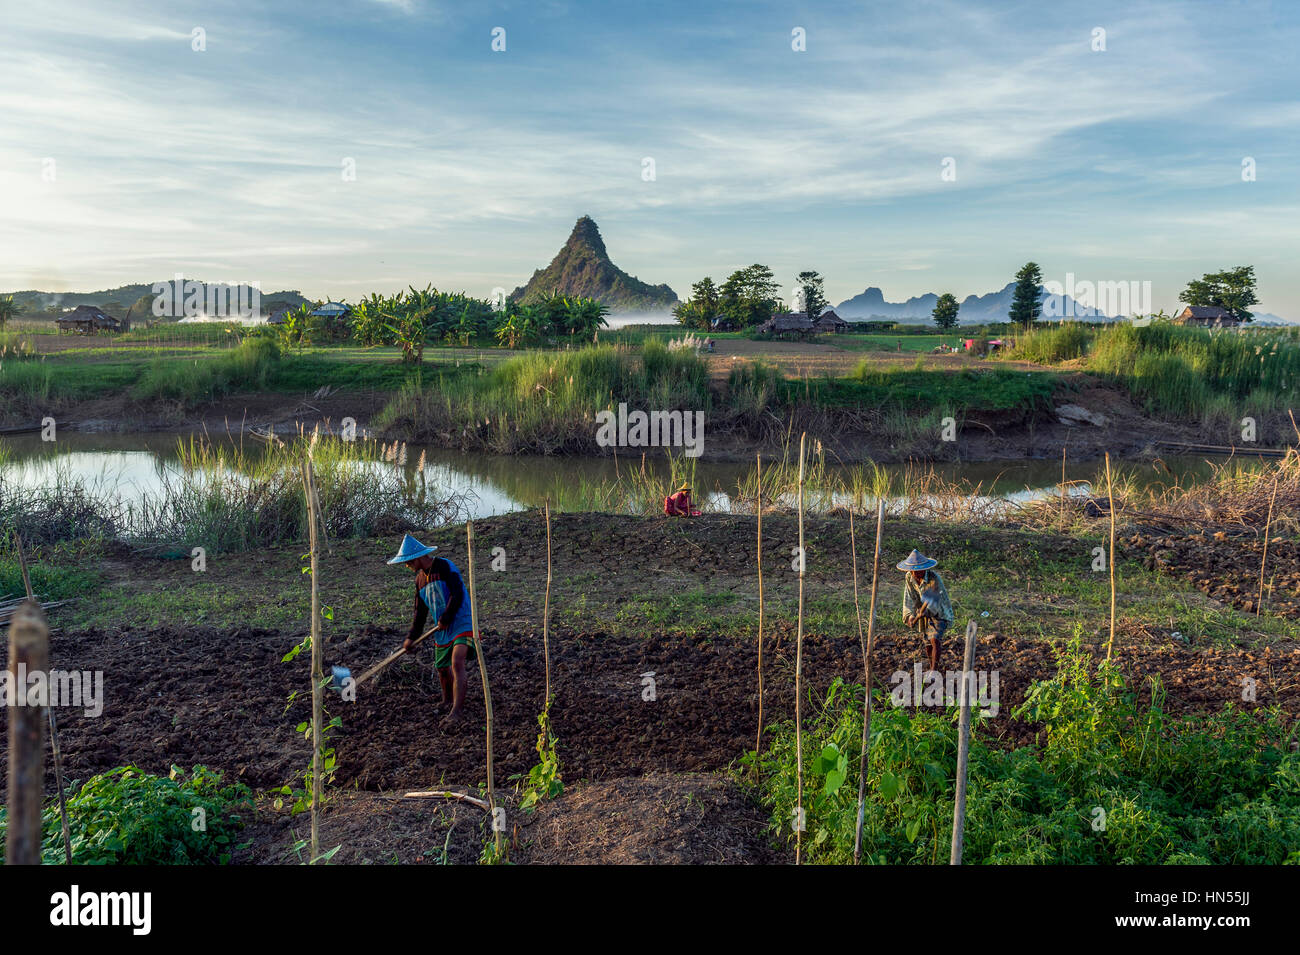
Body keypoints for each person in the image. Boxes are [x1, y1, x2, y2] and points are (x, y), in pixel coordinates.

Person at [388, 533, 476, 724]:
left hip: (461, 620)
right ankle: (447, 701)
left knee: (457, 661)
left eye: (408, 561)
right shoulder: (419, 580)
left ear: (418, 557)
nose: (407, 565)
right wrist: (412, 637)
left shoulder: (444, 566)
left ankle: (457, 711)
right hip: (442, 627)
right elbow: (420, 613)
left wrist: (447, 616)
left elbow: (457, 593)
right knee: (442, 669)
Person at [897, 549, 954, 671]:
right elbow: (908, 597)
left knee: (934, 639)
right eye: (914, 571)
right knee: (928, 643)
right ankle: (932, 665)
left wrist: (924, 613)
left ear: (925, 568)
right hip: (922, 612)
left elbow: (934, 602)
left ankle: (934, 670)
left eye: (920, 570)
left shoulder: (934, 579)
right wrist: (910, 616)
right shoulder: (909, 577)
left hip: (939, 611)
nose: (917, 573)